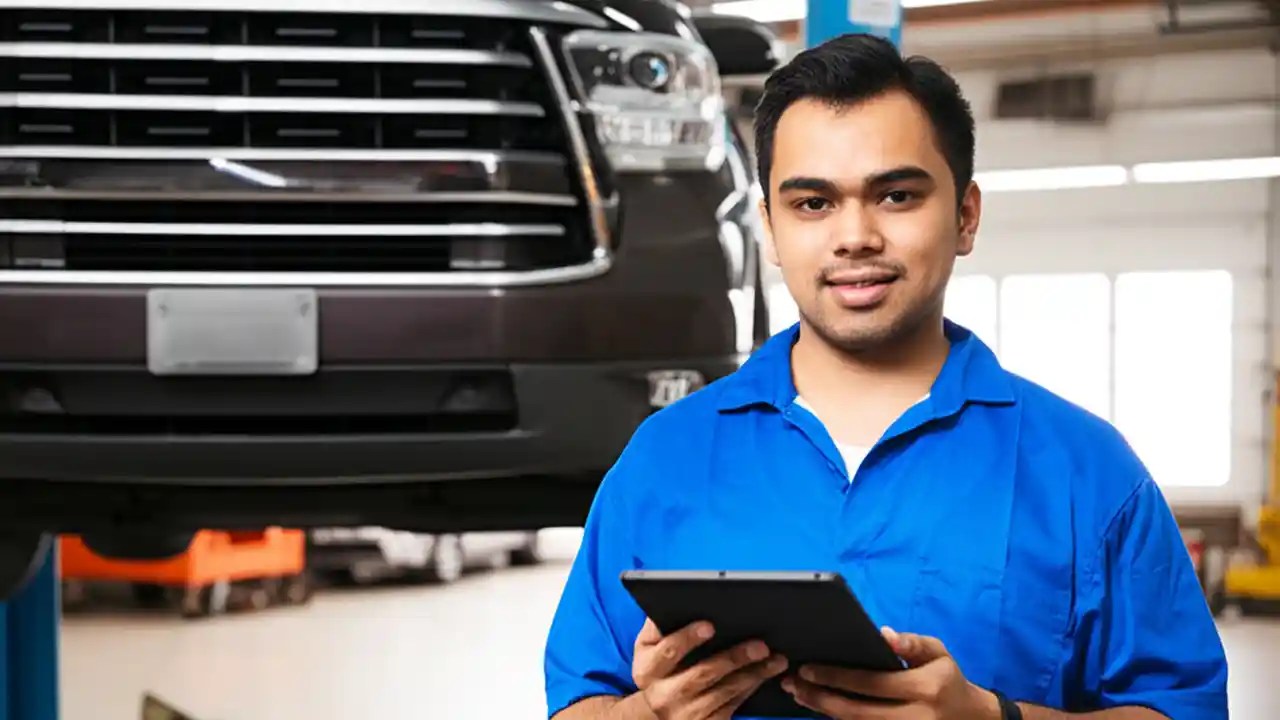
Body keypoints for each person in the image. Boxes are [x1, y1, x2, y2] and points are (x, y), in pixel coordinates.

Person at [543, 33, 1228, 720]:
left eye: (896, 196)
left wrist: (995, 719)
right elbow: (576, 705)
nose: (854, 236)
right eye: (813, 203)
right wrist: (650, 713)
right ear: (771, 231)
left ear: (965, 214)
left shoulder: (1086, 471)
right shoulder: (666, 458)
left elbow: (1185, 709)